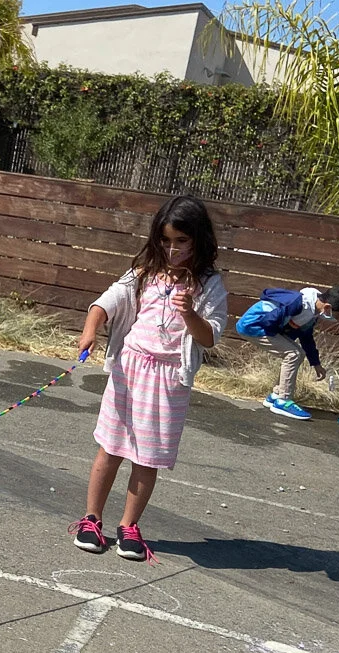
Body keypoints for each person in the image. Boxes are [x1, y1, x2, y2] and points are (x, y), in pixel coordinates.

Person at [69, 195, 228, 562]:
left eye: (182, 242)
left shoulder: (209, 285)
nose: (172, 249)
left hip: (169, 378)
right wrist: (91, 329)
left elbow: (210, 337)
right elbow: (107, 300)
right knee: (110, 447)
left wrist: (190, 314)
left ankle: (129, 527)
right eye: (166, 240)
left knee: (148, 457)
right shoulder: (144, 272)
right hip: (130, 368)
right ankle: (91, 520)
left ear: (198, 240)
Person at [235, 284, 339, 420]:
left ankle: (276, 395)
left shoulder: (313, 311)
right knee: (293, 354)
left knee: (297, 352)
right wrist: (281, 336)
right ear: (328, 307)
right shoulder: (299, 304)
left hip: (263, 326)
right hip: (253, 325)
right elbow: (270, 319)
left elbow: (306, 338)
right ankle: (283, 401)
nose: (338, 320)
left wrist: (316, 364)